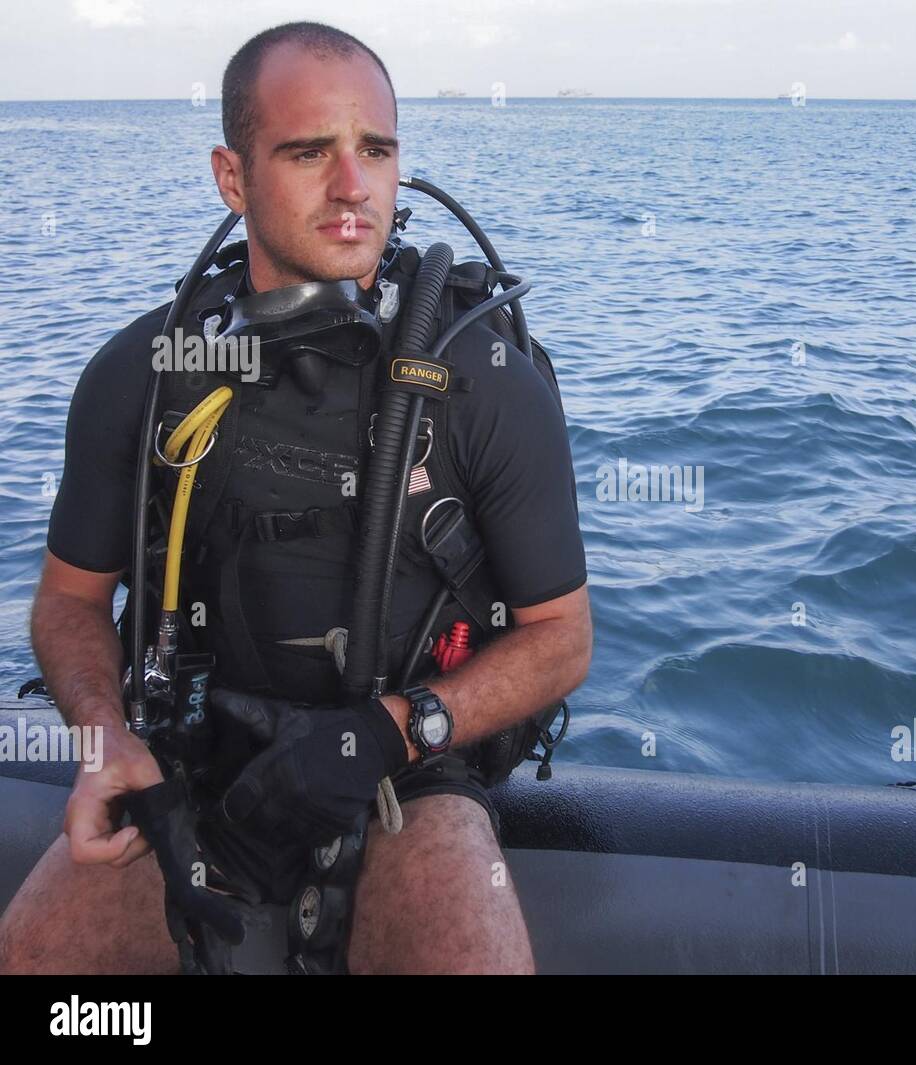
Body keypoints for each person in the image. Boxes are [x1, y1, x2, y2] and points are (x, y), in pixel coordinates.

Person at [0, 21, 591, 975]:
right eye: (309, 151)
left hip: (408, 771)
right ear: (232, 178)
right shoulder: (147, 375)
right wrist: (108, 743)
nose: (354, 186)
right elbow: (69, 601)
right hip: (191, 766)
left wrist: (387, 735)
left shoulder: (483, 378)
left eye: (377, 150)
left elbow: (563, 635)